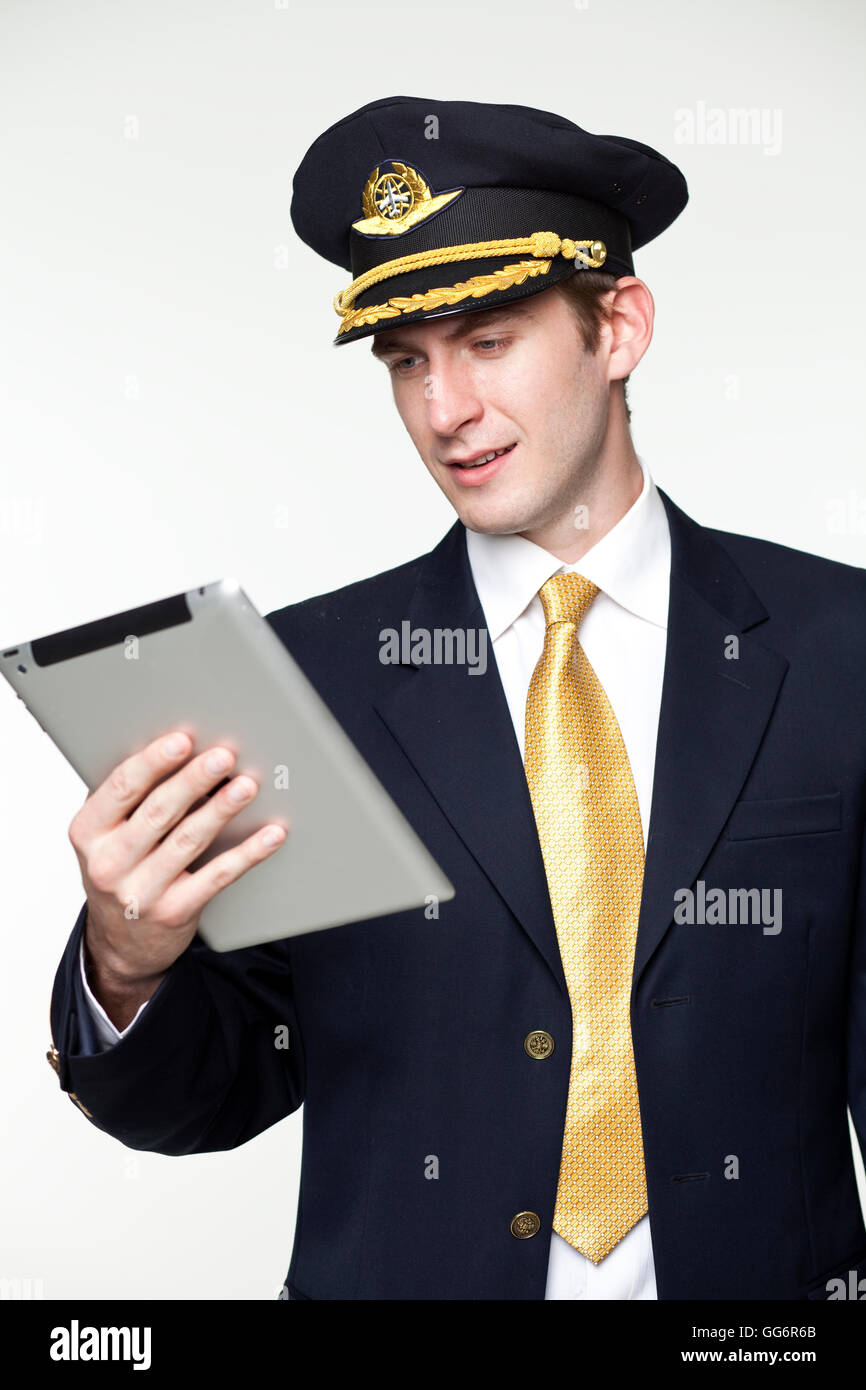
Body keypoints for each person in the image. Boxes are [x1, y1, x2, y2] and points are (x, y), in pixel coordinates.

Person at [48, 95, 866, 1301]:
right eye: (407, 361)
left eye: (488, 340)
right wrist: (127, 964)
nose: (445, 411)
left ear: (618, 326)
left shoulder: (839, 646)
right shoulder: (302, 677)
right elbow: (209, 1094)